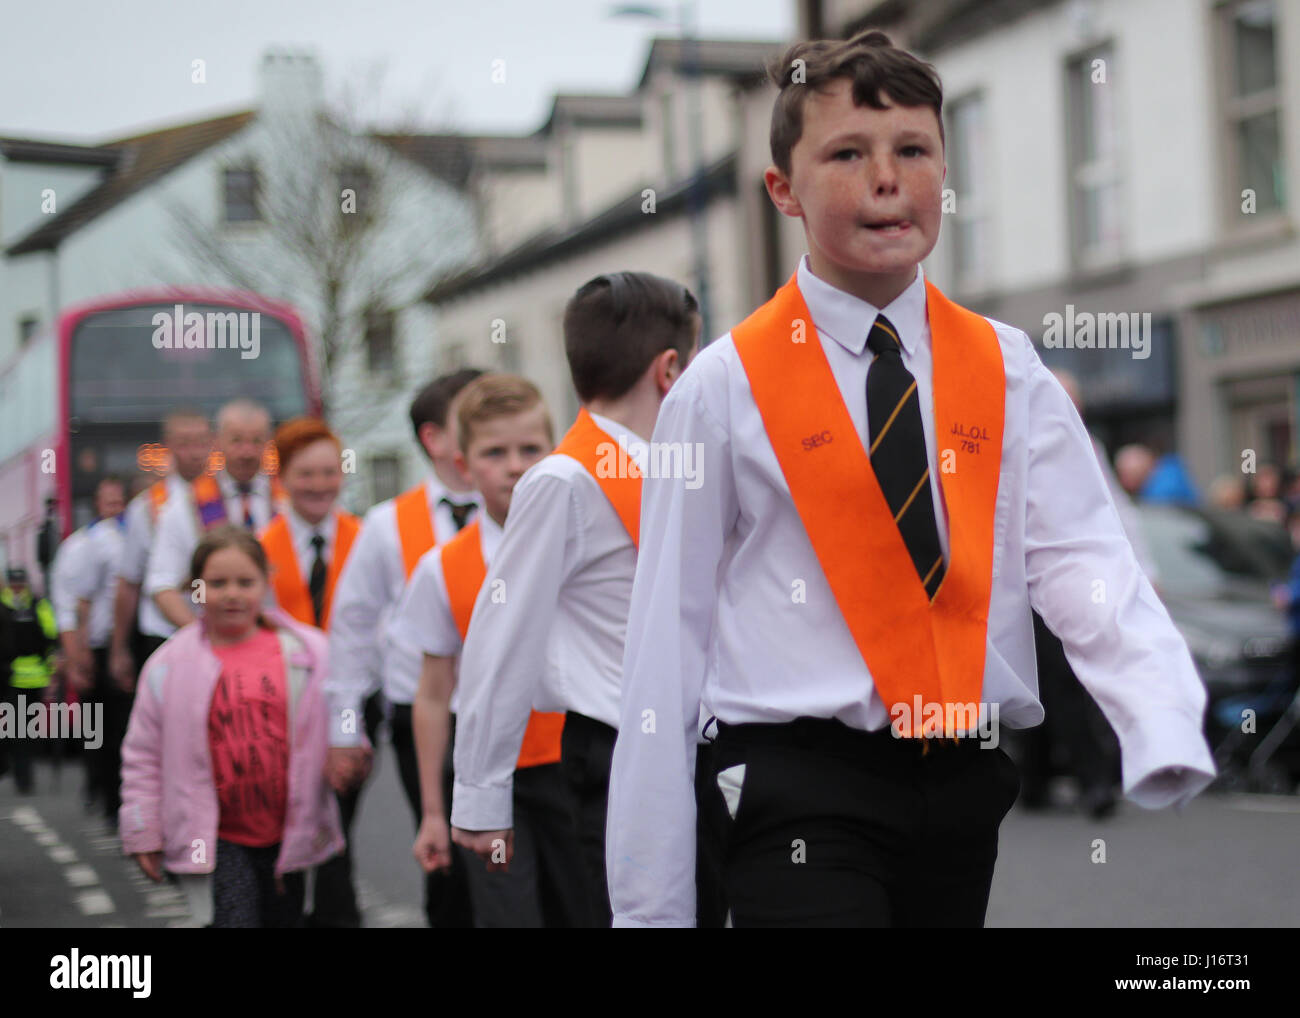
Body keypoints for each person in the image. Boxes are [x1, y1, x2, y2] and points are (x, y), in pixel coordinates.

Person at [605, 30, 1216, 928]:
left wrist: (1156, 713)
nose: (886, 178)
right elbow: (667, 634)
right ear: (784, 189)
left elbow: (1083, 556)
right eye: (847, 153)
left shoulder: (1007, 368)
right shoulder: (723, 388)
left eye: (914, 150)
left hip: (959, 776)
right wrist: (651, 905)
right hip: (793, 785)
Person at [448, 273, 727, 929]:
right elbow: (504, 630)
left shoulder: (673, 465)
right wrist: (483, 795)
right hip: (613, 753)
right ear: (668, 370)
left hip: (694, 747)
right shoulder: (563, 478)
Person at [393, 373, 590, 927]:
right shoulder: (442, 568)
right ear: (462, 463)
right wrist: (434, 812)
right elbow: (432, 695)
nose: (514, 465)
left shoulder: (589, 546)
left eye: (530, 449)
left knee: (588, 912)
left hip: (578, 769)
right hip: (489, 779)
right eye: (494, 452)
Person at [119, 525, 343, 928]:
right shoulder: (168, 666)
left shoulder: (309, 653)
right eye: (217, 583)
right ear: (195, 589)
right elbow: (142, 755)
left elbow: (343, 714)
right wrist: (142, 829)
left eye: (245, 582)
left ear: (265, 583)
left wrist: (350, 749)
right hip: (218, 837)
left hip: (291, 831)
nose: (232, 594)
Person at [326, 369, 485, 928]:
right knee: (447, 862)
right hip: (425, 716)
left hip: (514, 714)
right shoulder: (386, 525)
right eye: (476, 417)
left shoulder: (527, 507)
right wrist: (345, 727)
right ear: (434, 439)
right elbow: (351, 630)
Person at [257, 417, 364, 927]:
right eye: (306, 473)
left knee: (340, 821)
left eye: (329, 471)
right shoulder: (260, 549)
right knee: (294, 821)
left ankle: (334, 916)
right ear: (282, 477)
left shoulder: (366, 540)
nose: (320, 484)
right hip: (286, 710)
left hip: (354, 707)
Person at [145, 399, 279, 631]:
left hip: (279, 637)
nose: (247, 452)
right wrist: (200, 636)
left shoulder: (286, 502)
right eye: (236, 440)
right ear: (217, 442)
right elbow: (162, 583)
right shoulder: (184, 505)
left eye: (256, 441)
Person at [110, 407, 214, 685]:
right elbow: (129, 581)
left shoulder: (231, 498)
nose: (194, 452)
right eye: (185, 443)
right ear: (169, 447)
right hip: (166, 635)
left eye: (201, 442)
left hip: (223, 630)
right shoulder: (147, 507)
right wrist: (119, 649)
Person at [66, 475, 129, 824]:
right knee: (101, 730)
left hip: (126, 645)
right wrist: (80, 651)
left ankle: (118, 802)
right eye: (109, 503)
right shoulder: (93, 542)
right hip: (101, 647)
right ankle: (105, 799)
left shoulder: (134, 535)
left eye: (119, 502)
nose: (114, 509)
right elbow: (83, 602)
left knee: (122, 730)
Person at [0, 568, 58, 794]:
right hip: (9, 679)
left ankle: (23, 774)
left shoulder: (38, 605)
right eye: (13, 583)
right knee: (17, 731)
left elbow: (51, 637)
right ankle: (22, 777)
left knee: (28, 732)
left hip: (36, 678)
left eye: (20, 583)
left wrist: (52, 671)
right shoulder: (3, 606)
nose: (17, 588)